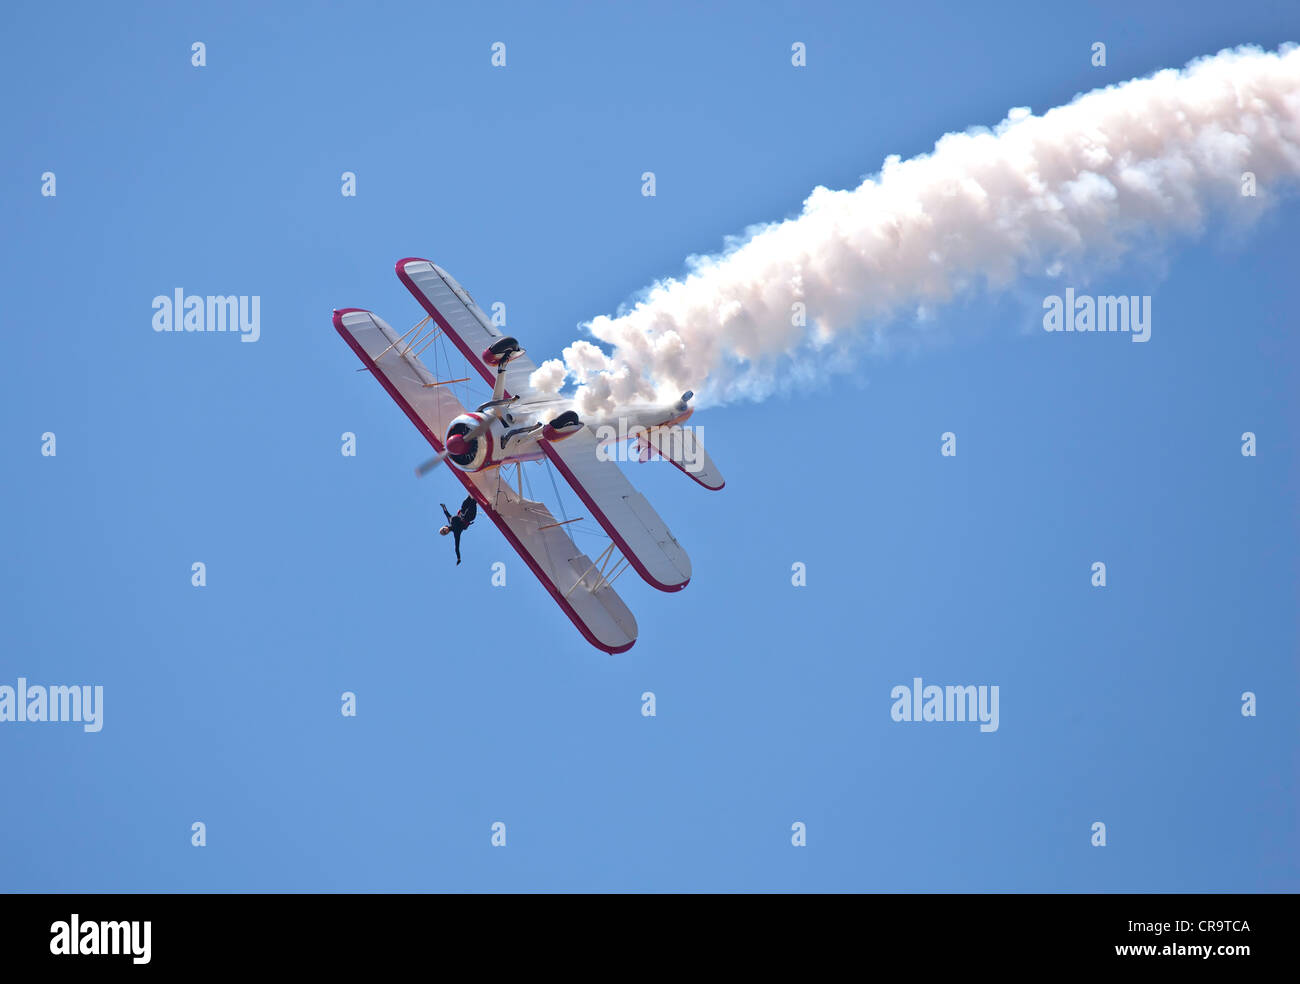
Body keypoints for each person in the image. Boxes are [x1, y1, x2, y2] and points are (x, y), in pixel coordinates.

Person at [439, 494, 478, 565]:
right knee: (468, 509)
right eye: (444, 532)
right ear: (447, 533)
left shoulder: (450, 520)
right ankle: (475, 499)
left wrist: (443, 506)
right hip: (470, 515)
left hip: (465, 510)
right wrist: (458, 558)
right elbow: (456, 547)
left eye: (443, 530)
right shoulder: (456, 532)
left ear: (444, 526)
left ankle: (471, 495)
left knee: (463, 506)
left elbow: (446, 512)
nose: (445, 531)